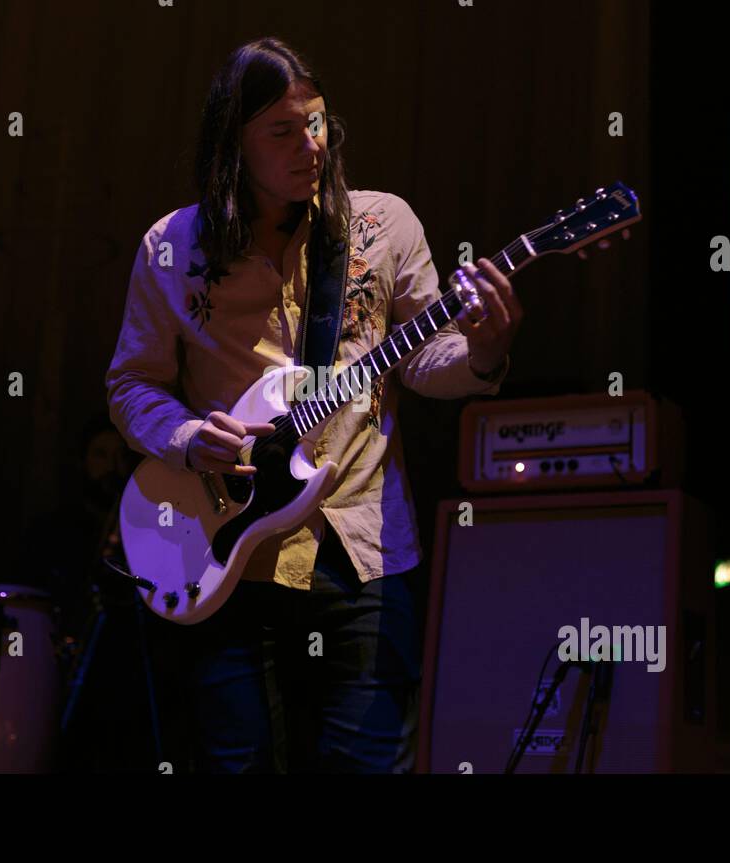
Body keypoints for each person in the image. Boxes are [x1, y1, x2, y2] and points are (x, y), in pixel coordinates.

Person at [105, 37, 522, 773]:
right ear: (234, 144)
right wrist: (186, 434)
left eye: (319, 123)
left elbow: (426, 357)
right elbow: (131, 384)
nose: (312, 146)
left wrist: (485, 350)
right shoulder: (170, 246)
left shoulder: (383, 225)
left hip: (362, 552)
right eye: (284, 132)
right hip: (227, 553)